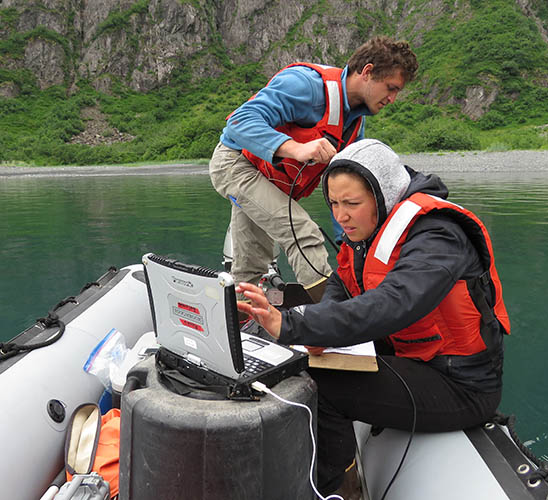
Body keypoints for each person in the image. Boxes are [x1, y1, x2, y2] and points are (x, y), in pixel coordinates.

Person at [236, 139, 511, 497]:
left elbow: (396, 302)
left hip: (461, 386)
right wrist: (313, 326)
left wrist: (293, 324)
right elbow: (342, 284)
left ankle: (329, 489)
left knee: (326, 388)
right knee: (302, 360)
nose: (340, 216)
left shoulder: (439, 235)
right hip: (413, 361)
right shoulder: (368, 230)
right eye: (333, 203)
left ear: (384, 195)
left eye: (351, 204)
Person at [209, 36, 418, 294]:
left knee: (250, 269)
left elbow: (344, 191)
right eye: (391, 88)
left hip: (268, 179)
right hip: (234, 163)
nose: (393, 98)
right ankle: (333, 319)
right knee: (302, 233)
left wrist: (351, 243)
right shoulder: (306, 86)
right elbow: (239, 121)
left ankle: (237, 324)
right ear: (367, 72)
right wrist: (295, 148)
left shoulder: (353, 127)